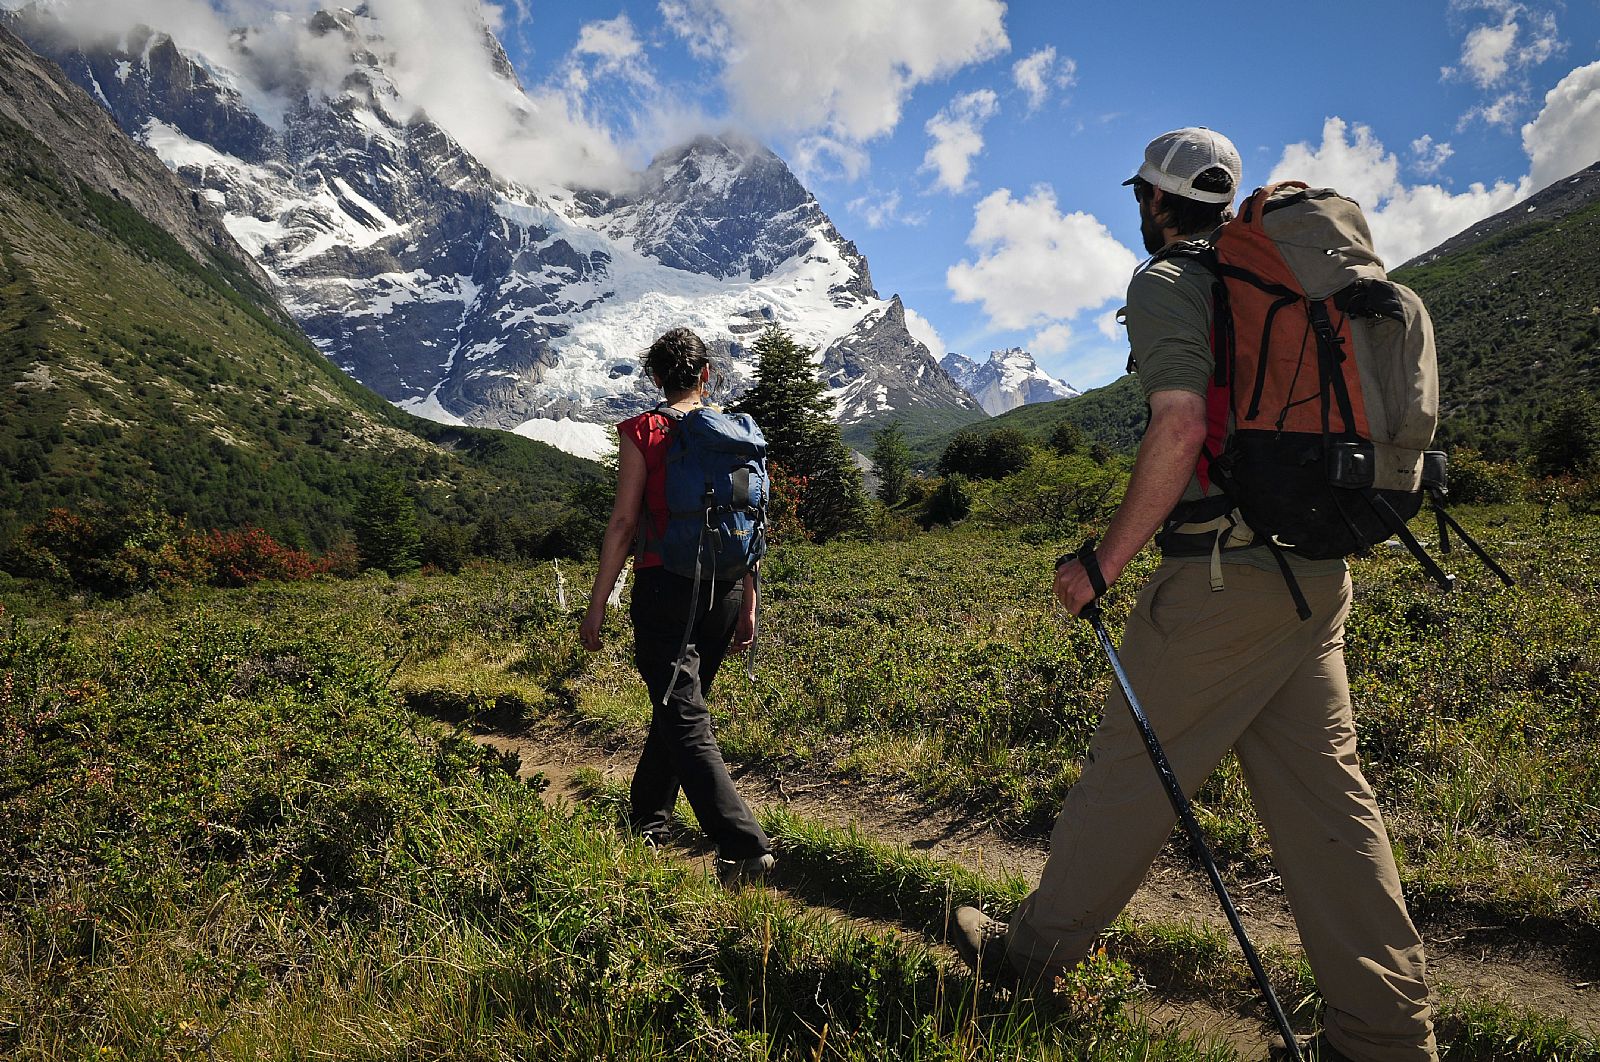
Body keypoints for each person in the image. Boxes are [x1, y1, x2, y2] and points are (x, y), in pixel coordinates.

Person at [951, 129, 1439, 1062]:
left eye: (1140, 198)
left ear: (1154, 202)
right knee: (1330, 804)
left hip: (1218, 584)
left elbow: (1177, 428)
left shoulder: (1170, 282)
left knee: (1126, 779)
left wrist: (1100, 564)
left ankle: (1027, 960)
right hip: (1314, 574)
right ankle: (1386, 1037)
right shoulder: (1278, 280)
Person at [579, 327, 775, 887]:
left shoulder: (645, 429)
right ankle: (647, 822)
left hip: (666, 584)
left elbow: (623, 523)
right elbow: (752, 525)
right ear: (706, 375)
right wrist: (749, 605)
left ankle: (742, 845)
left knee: (683, 715)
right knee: (676, 709)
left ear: (656, 377)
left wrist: (597, 606)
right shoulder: (737, 433)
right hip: (727, 587)